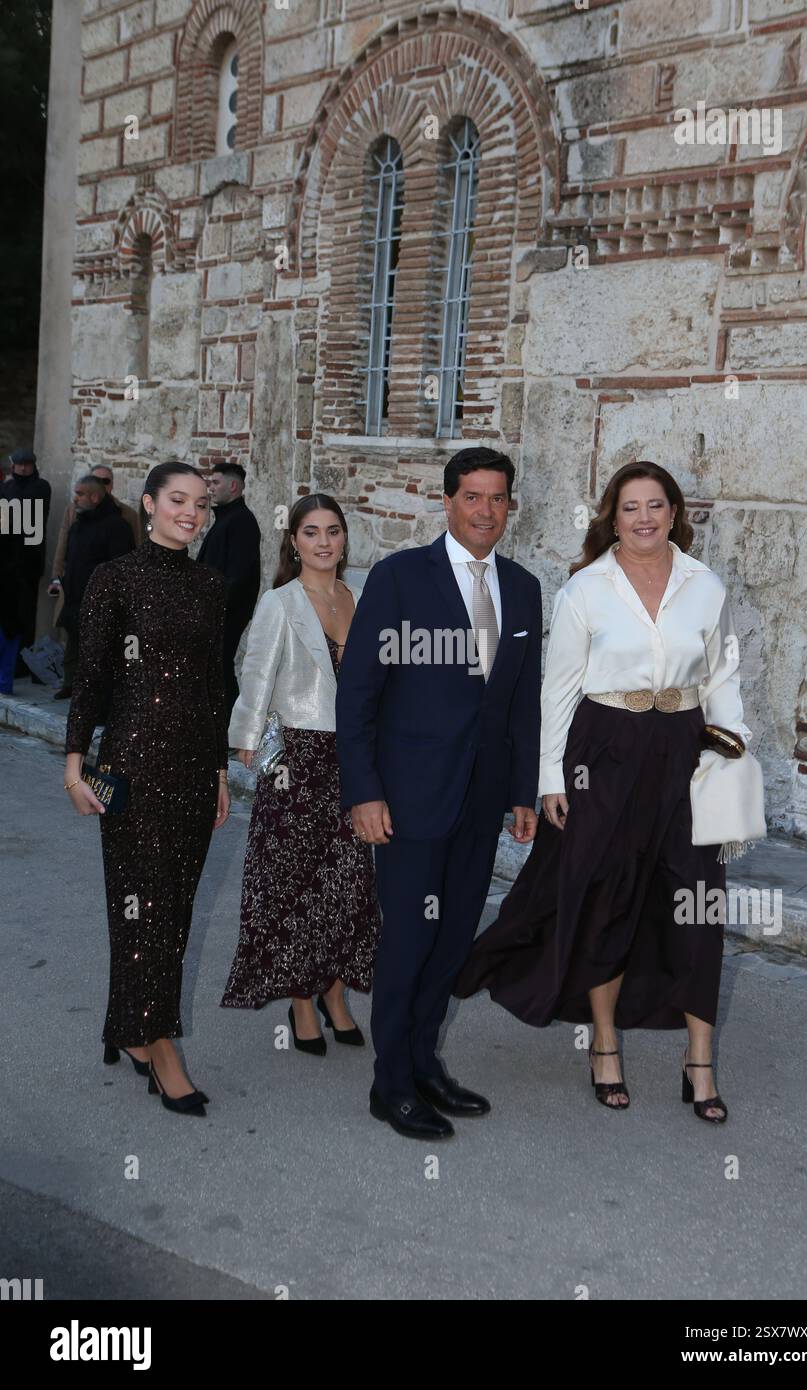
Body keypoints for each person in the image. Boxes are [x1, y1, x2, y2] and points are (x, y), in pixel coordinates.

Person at [455, 461, 753, 1124]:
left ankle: (698, 1062)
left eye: (655, 505)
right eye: (629, 508)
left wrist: (732, 760)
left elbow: (724, 680)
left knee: (699, 902)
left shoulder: (704, 586)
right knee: (606, 899)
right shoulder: (586, 590)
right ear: (611, 518)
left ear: (674, 513)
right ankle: (605, 1043)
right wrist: (552, 780)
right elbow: (556, 692)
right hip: (605, 749)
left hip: (684, 748)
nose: (643, 518)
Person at [336, 447, 543, 1141]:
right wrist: (363, 792)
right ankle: (388, 1082)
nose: (486, 511)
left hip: (482, 801)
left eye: (498, 499)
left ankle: (425, 1062)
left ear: (510, 506)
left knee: (453, 938)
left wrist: (522, 792)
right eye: (473, 497)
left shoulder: (522, 587)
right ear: (448, 502)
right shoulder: (399, 579)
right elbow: (358, 693)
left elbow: (519, 704)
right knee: (409, 940)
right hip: (408, 799)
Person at [63, 461, 230, 1117]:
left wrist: (219, 770)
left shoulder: (211, 585)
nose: (191, 512)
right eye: (178, 500)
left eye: (201, 503)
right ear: (150, 503)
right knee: (141, 908)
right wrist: (74, 761)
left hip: (192, 770)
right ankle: (160, 1047)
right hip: (132, 766)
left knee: (174, 909)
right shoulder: (115, 579)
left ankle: (127, 1026)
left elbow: (215, 686)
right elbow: (93, 674)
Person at [222, 494, 380, 1053]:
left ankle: (335, 991)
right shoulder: (279, 603)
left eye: (333, 531)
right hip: (296, 760)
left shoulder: (359, 598)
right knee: (292, 885)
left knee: (347, 884)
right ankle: (301, 1000)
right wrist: (260, 753)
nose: (323, 542)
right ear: (294, 541)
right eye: (310, 532)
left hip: (354, 760)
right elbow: (256, 674)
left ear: (343, 539)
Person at [49, 462, 142, 695]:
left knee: (99, 656)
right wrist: (59, 578)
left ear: (95, 497)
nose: (76, 498)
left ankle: (98, 702)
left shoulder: (120, 522)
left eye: (81, 494)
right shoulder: (78, 521)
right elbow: (65, 550)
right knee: (74, 646)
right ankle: (72, 687)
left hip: (99, 602)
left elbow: (123, 563)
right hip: (74, 598)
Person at [197, 462, 261, 716]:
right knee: (214, 668)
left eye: (216, 483)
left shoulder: (242, 521)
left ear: (233, 486)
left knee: (219, 667)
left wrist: (214, 607)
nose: (210, 488)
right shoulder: (227, 519)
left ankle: (230, 728)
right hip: (215, 609)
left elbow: (237, 575)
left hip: (225, 612)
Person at [0, 447, 52, 689]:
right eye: (19, 464)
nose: (23, 468)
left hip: (28, 560)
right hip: (7, 559)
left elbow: (26, 515)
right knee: (8, 615)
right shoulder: (8, 487)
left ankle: (21, 664)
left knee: (25, 614)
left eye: (27, 464)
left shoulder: (40, 487)